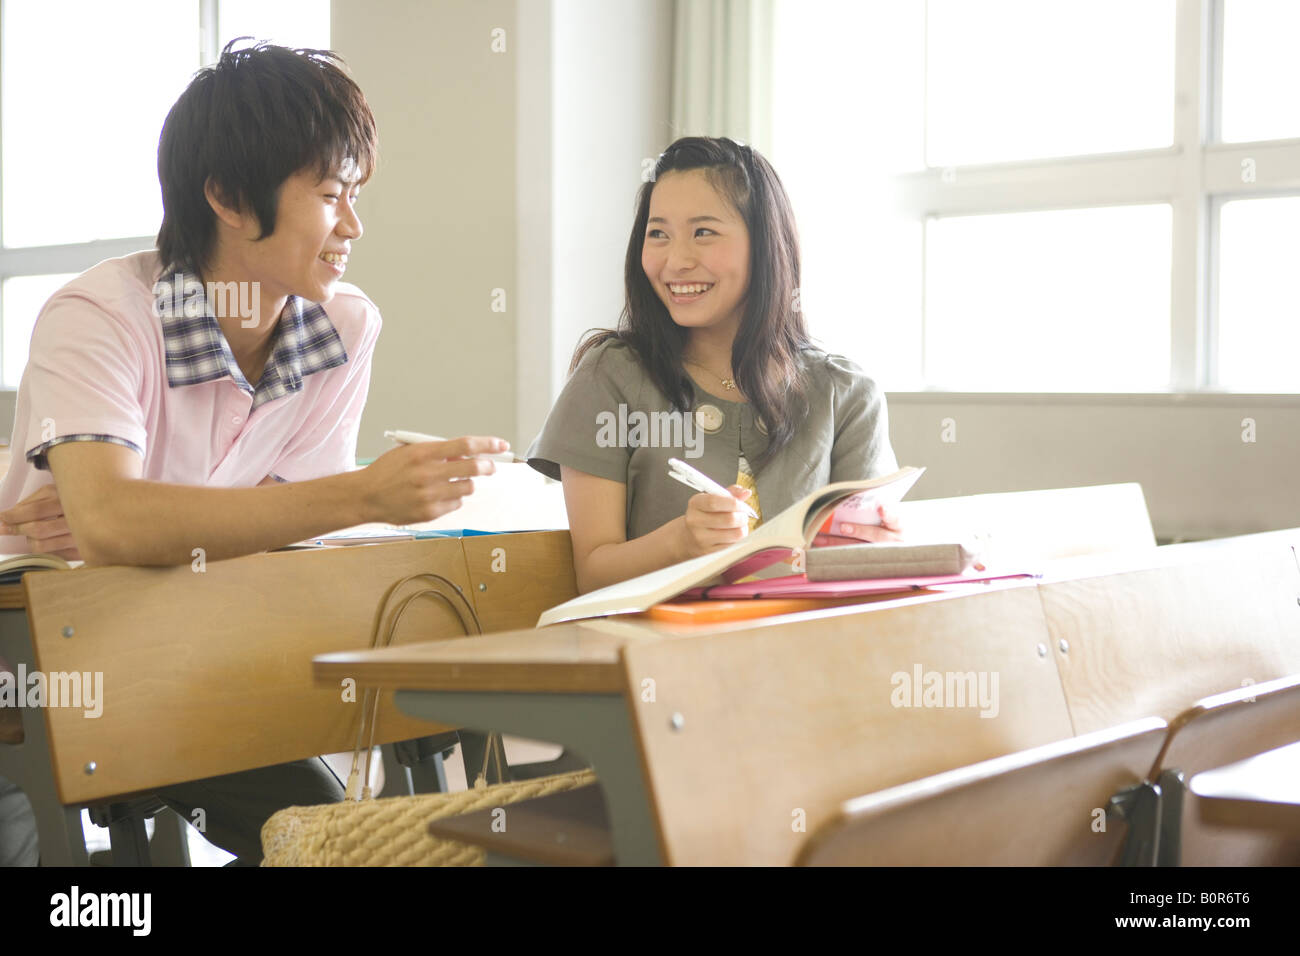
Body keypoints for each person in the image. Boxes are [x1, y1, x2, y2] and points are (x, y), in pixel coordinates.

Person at [0, 41, 506, 865]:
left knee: (336, 848)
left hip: (189, 649)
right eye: (332, 195)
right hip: (30, 656)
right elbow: (117, 527)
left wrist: (147, 515)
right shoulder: (99, 314)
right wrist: (360, 497)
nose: (353, 225)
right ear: (230, 196)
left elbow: (265, 532)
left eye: (356, 195)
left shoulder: (343, 326)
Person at [527, 136, 901, 594]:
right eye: (658, 233)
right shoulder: (611, 378)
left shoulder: (846, 394)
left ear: (765, 246)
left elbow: (864, 571)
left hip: (805, 650)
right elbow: (592, 574)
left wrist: (880, 551)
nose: (676, 261)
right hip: (660, 656)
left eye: (703, 232)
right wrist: (679, 542)